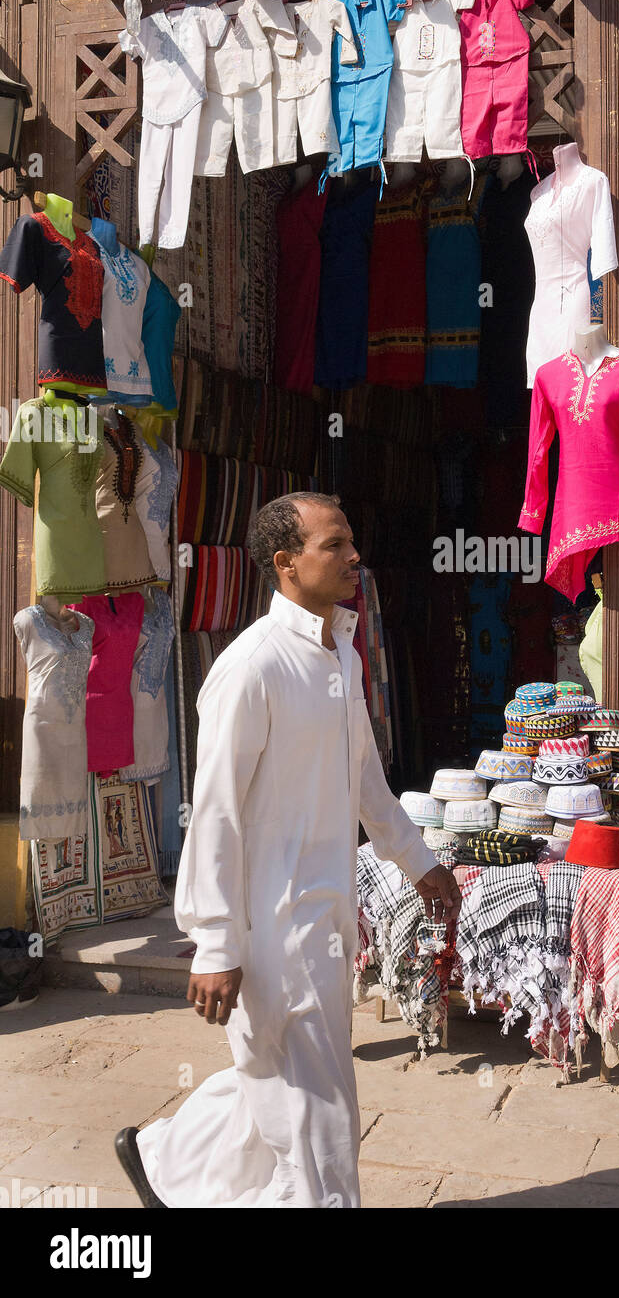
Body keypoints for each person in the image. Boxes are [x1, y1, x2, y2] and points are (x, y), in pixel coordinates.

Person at [115, 492, 460, 1208]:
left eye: (350, 541)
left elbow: (365, 777)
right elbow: (212, 813)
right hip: (272, 928)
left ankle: (166, 1160)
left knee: (276, 1079)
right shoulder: (251, 669)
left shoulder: (338, 649)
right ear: (286, 562)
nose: (353, 557)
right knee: (320, 1115)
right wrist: (213, 944)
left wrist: (416, 858)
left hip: (325, 914)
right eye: (334, 545)